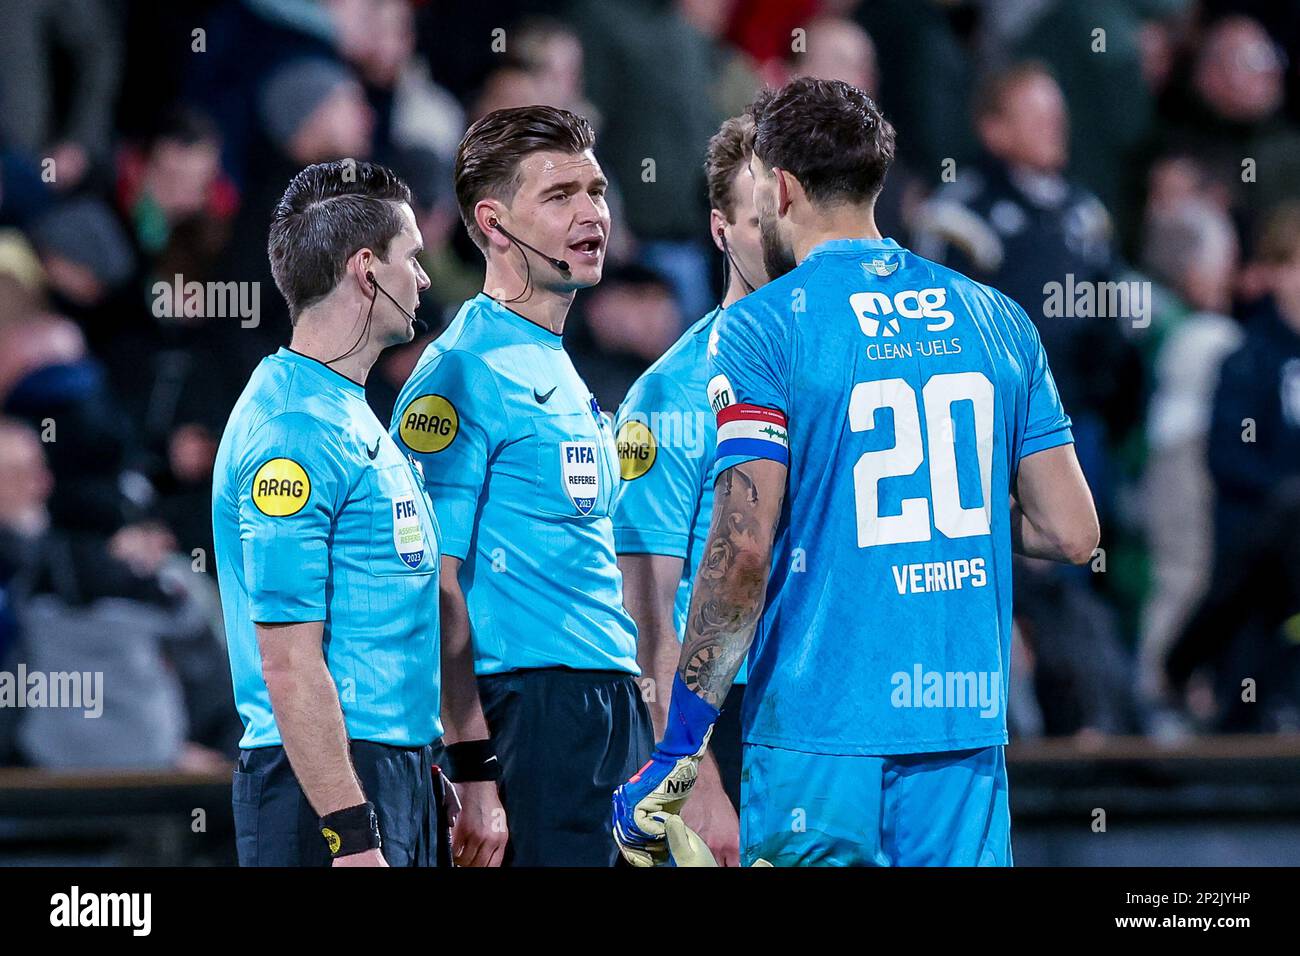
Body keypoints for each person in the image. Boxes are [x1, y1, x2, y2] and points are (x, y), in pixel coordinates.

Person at [612, 77, 1099, 867]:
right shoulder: (995, 316)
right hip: (962, 732)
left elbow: (742, 554)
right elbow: (1071, 530)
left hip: (819, 737)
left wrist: (679, 750)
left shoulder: (763, 327)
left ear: (782, 186)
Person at [390, 106, 651, 866]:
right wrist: (473, 771)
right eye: (560, 195)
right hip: (529, 714)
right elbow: (430, 590)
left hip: (606, 703)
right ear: (494, 223)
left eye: (596, 190)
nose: (591, 213)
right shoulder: (460, 373)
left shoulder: (558, 363)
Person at [212, 160, 448, 867]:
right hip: (325, 787)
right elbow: (287, 662)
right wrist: (350, 832)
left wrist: (422, 769)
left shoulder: (347, 412)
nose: (425, 279)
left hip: (385, 769)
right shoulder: (292, 430)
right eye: (414, 258)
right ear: (366, 269)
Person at [611, 113, 768, 866]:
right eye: (758, 213)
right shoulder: (670, 396)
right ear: (719, 229)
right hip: (718, 720)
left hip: (824, 718)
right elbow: (644, 608)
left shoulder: (841, 379)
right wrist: (691, 773)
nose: (782, 233)